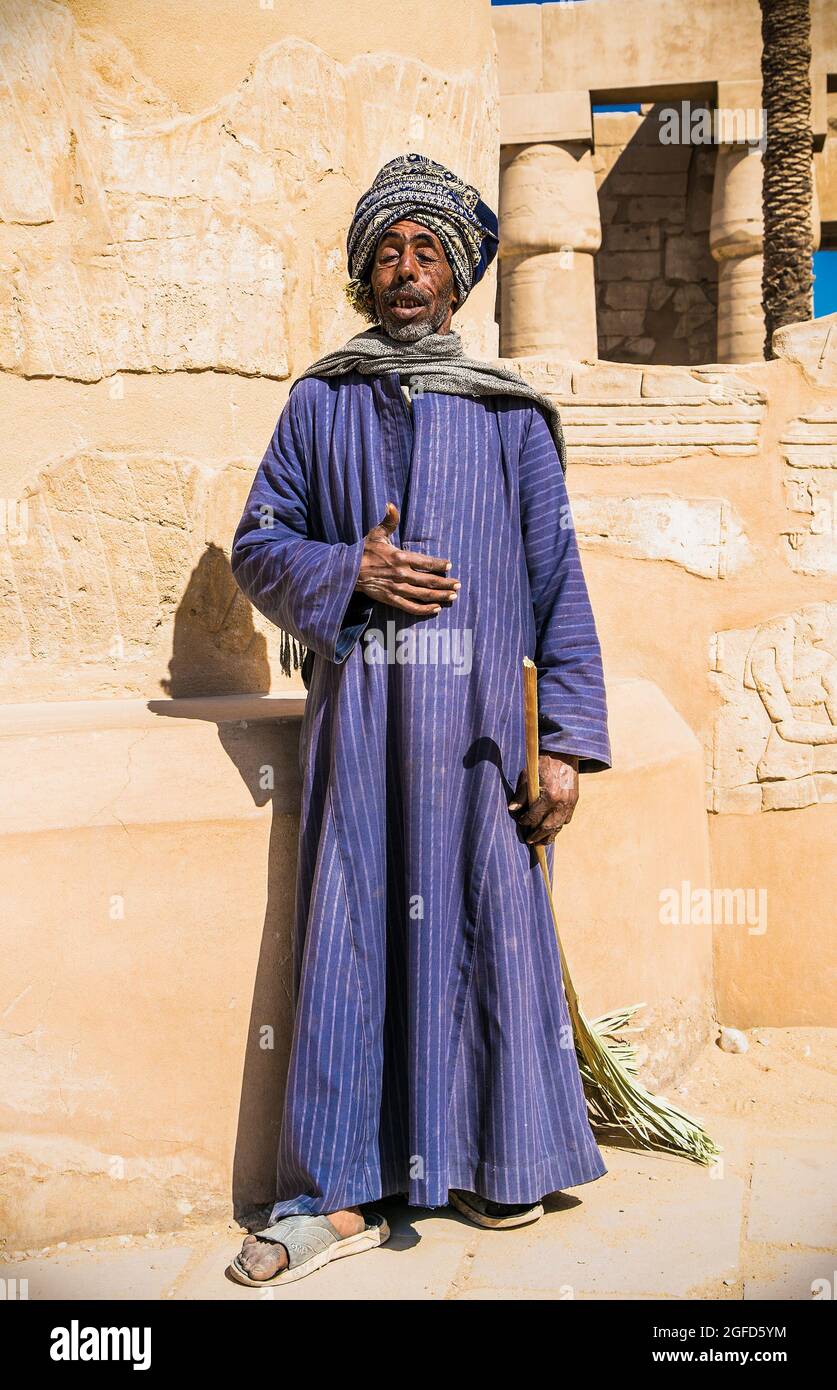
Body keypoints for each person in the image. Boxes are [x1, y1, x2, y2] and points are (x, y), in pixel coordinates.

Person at [227, 152, 612, 1288]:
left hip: (482, 737)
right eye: (388, 251)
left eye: (428, 250)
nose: (407, 269)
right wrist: (354, 567)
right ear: (366, 274)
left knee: (490, 933)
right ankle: (337, 1193)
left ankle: (504, 1159)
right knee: (355, 942)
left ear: (459, 276)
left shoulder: (512, 418)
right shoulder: (317, 402)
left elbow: (558, 580)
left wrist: (565, 741)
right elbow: (259, 543)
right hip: (363, 741)